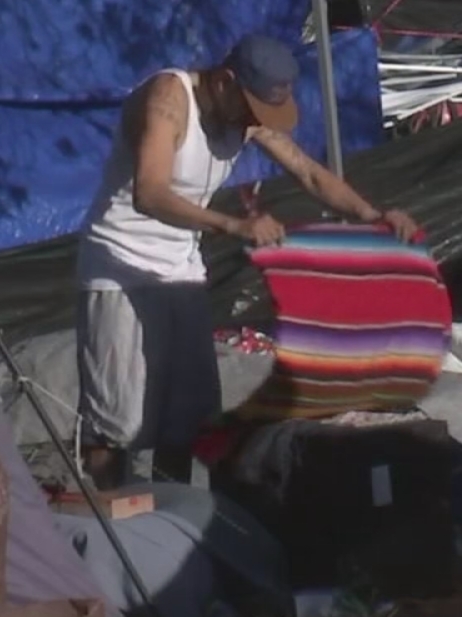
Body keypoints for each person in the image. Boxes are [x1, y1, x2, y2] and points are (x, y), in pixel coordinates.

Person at [75, 34, 420, 489]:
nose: (253, 123)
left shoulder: (246, 117)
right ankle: (108, 521)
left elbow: (310, 173)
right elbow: (150, 192)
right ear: (224, 83)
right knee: (117, 421)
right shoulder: (167, 100)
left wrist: (372, 215)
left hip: (181, 271)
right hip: (120, 268)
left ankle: (170, 518)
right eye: (251, 108)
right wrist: (235, 225)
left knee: (189, 419)